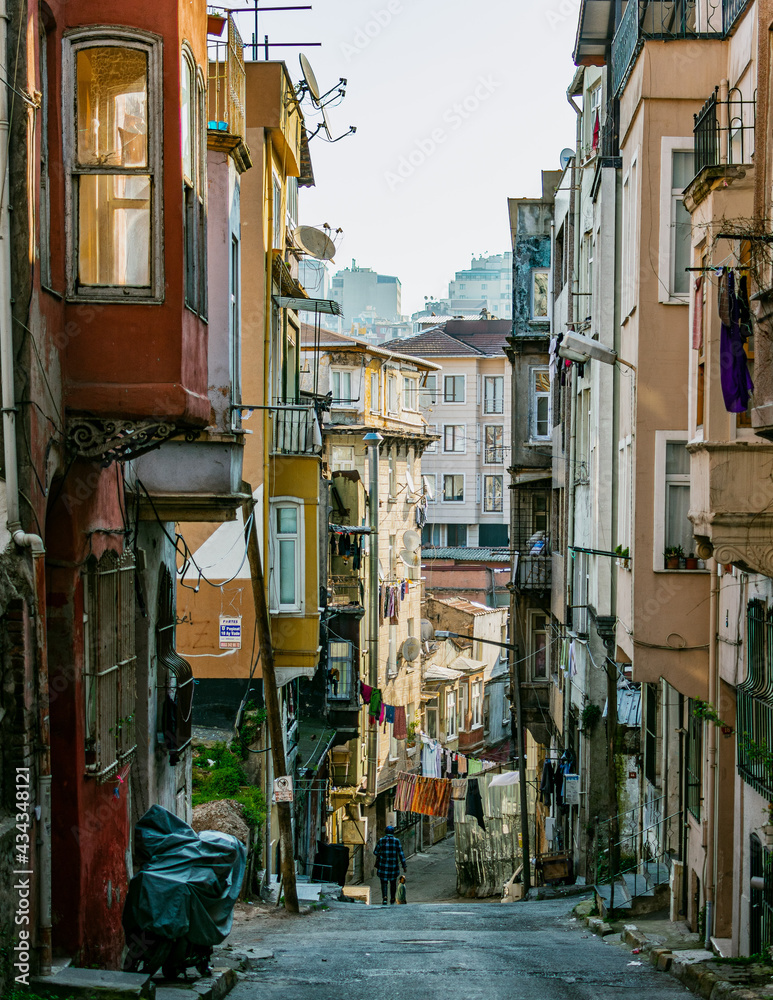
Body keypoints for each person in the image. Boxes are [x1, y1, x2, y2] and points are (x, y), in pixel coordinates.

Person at [373, 825, 406, 905]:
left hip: (383, 866)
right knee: (393, 882)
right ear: (393, 832)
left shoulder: (381, 840)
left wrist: (382, 854)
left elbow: (375, 852)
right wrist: (404, 865)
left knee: (384, 882)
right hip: (393, 867)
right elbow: (401, 854)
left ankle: (384, 897)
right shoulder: (396, 841)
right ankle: (392, 898)